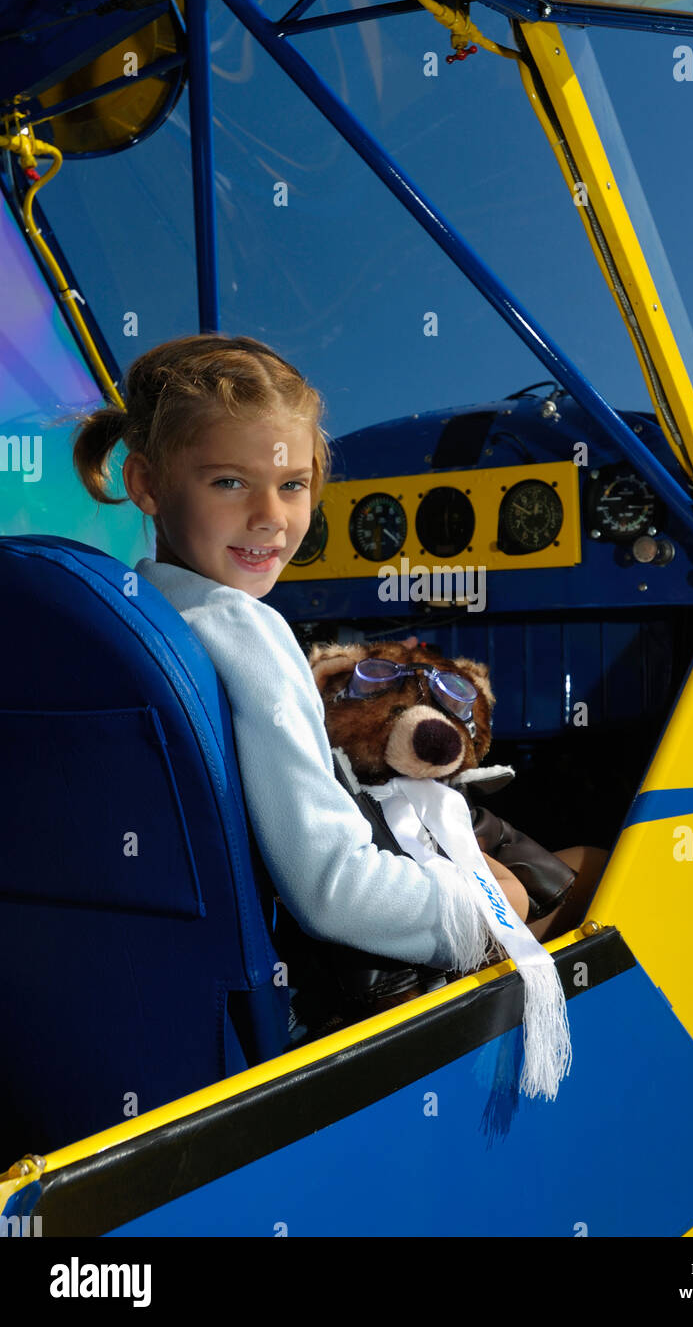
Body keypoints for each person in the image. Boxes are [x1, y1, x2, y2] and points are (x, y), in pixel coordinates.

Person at [69, 333, 605, 1097]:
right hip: (318, 1007)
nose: (269, 518)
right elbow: (331, 888)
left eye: (292, 485)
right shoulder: (246, 634)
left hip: (158, 1004)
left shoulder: (135, 616)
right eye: (229, 481)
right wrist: (478, 908)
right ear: (147, 483)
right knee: (599, 873)